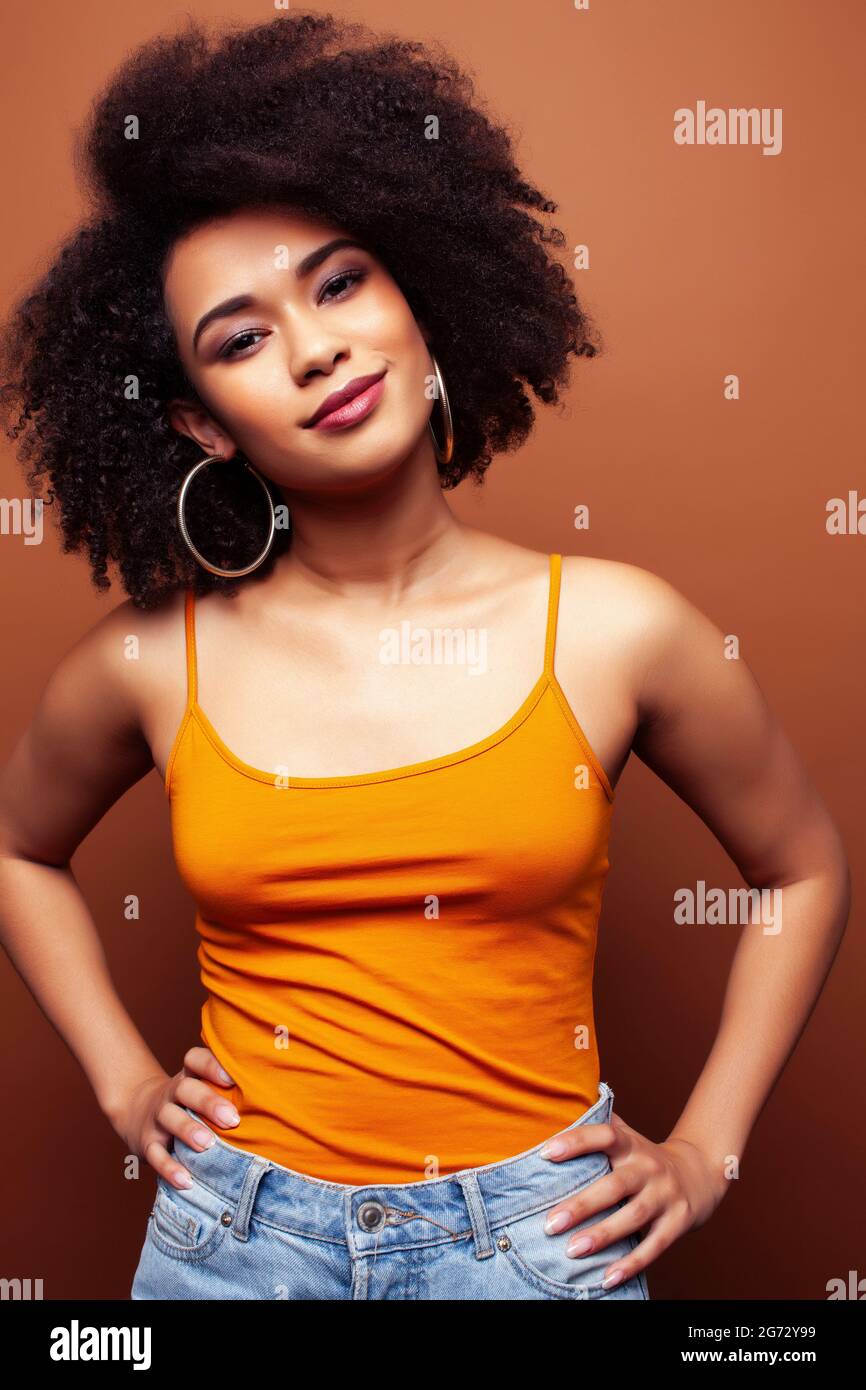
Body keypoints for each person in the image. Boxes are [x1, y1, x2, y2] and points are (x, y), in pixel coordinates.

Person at [0, 12, 850, 1301]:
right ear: (197, 423)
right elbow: (17, 852)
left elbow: (800, 872)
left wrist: (705, 1153)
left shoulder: (622, 628)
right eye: (240, 338)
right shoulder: (148, 665)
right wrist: (126, 1084)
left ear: (419, 294)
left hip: (540, 1247)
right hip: (232, 1247)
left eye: (340, 282)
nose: (314, 347)